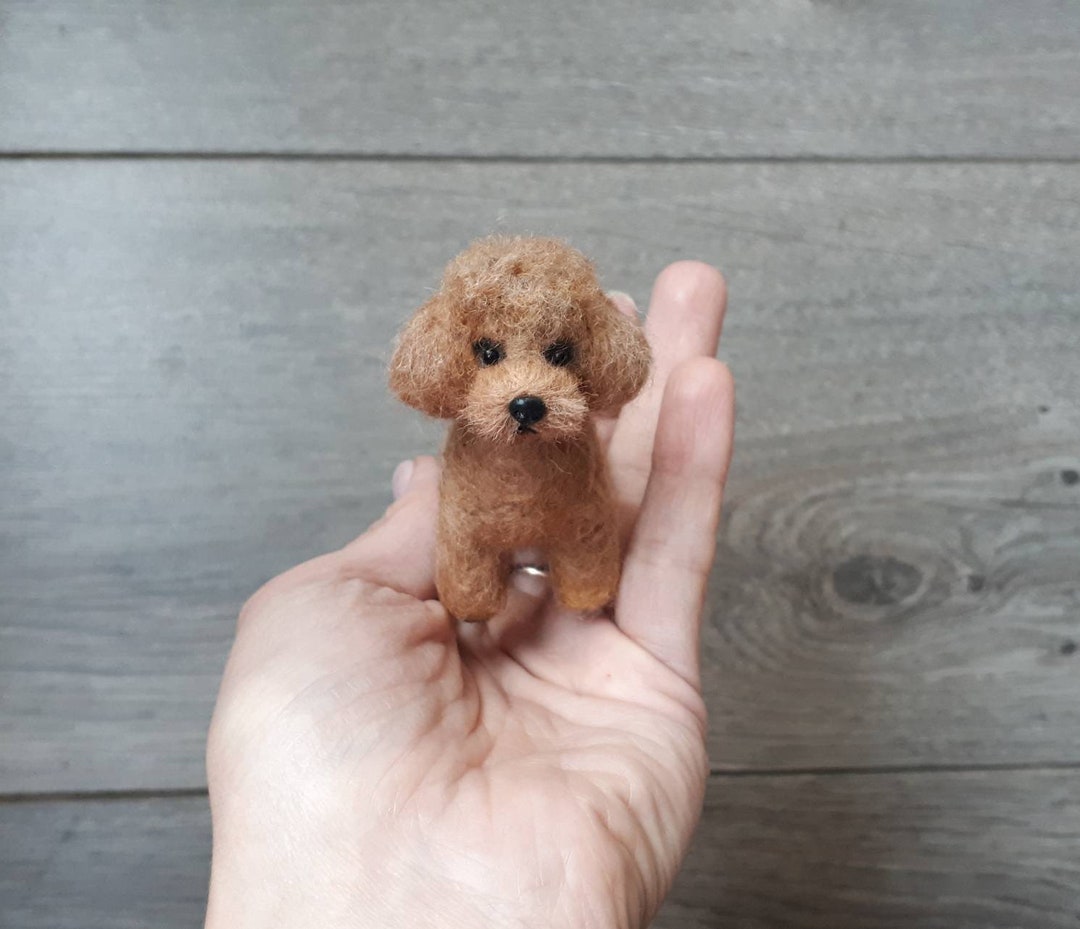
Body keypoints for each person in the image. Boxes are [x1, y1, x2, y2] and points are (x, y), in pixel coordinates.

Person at [204, 261, 734, 929]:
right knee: (467, 552)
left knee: (587, 543)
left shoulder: (584, 431)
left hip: (575, 501)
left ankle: (581, 578)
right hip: (475, 512)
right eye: (490, 355)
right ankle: (485, 584)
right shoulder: (465, 438)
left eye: (558, 355)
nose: (525, 390)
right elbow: (456, 523)